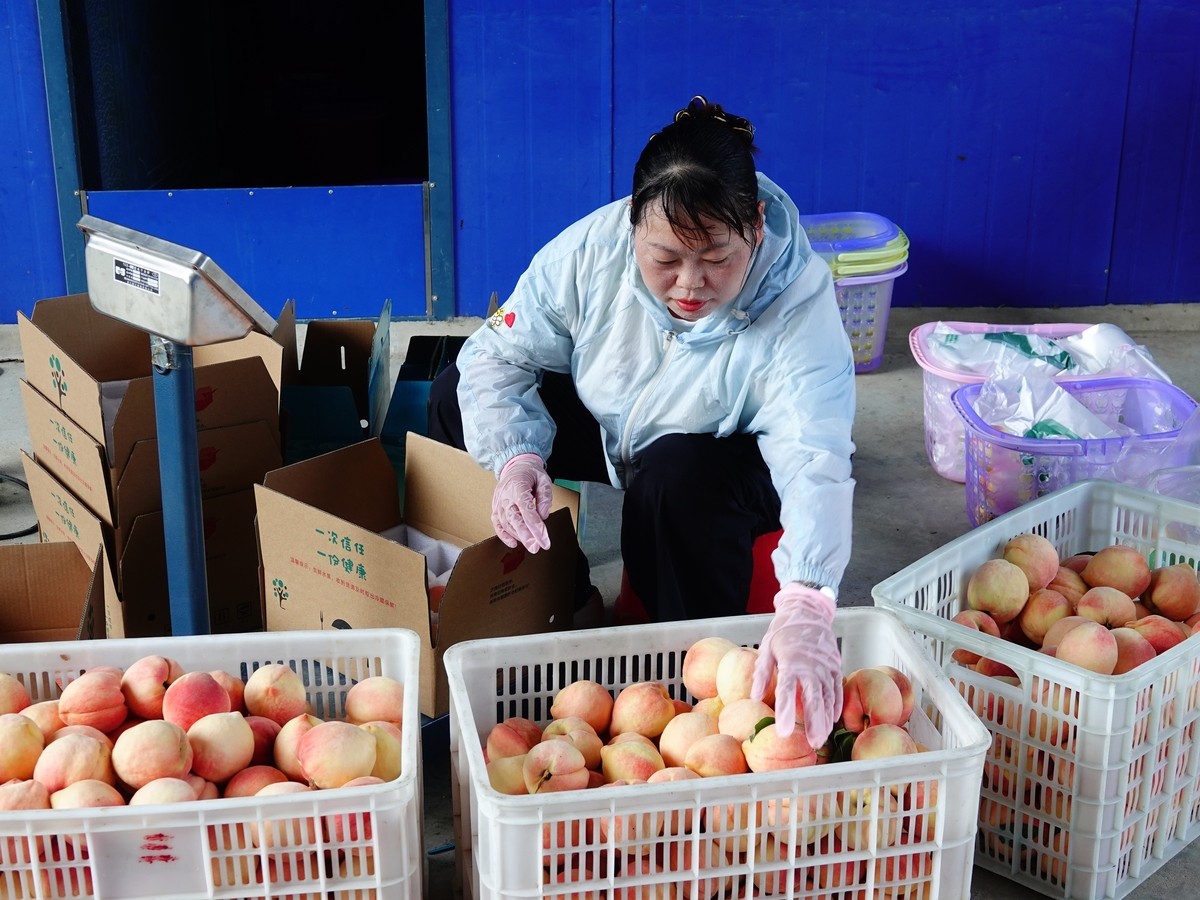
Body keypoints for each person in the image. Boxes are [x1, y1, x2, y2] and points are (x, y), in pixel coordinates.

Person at [428, 96, 855, 749]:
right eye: (665, 260)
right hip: (619, 425)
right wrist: (518, 456)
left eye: (716, 259)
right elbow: (497, 356)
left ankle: (685, 690)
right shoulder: (589, 254)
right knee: (454, 388)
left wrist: (808, 597)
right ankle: (560, 592)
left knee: (674, 476)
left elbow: (816, 454)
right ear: (631, 228)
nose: (690, 284)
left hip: (728, 456)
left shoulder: (799, 302)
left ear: (758, 227)